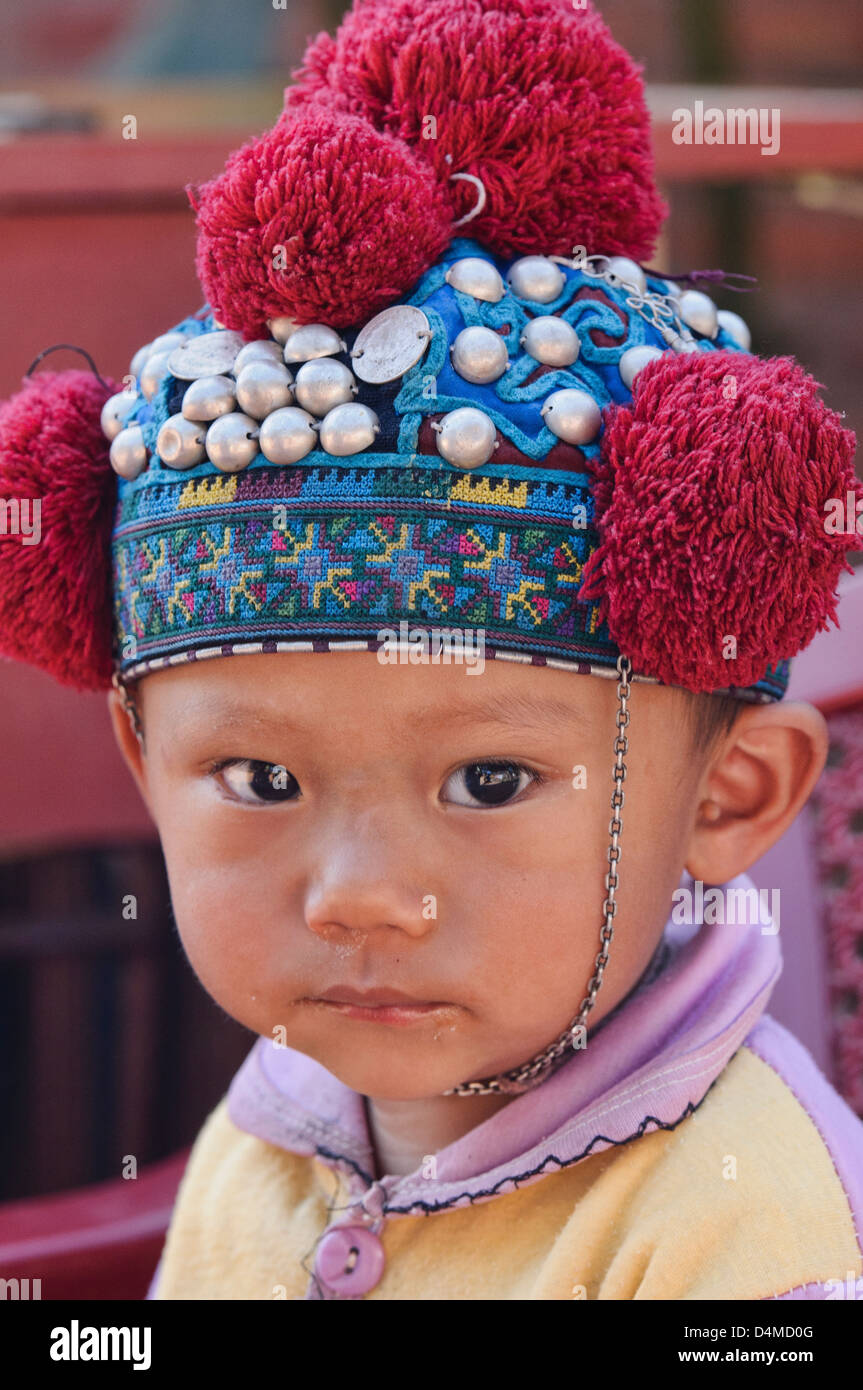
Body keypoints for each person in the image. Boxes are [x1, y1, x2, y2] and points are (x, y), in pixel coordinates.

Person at [1, 0, 861, 1301]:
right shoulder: (270, 1125)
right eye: (260, 779)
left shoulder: (738, 1228)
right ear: (142, 754)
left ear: (728, 794)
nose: (359, 894)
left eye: (491, 781)